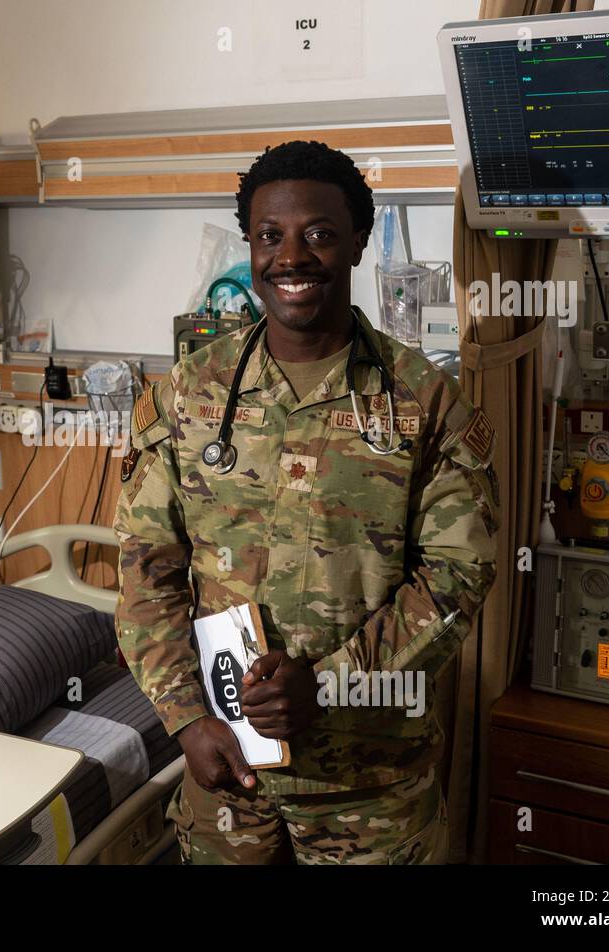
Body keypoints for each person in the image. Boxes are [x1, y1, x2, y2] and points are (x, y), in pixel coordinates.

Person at [114, 140, 500, 864]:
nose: (291, 256)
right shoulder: (188, 396)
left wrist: (325, 687)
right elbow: (146, 569)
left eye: (319, 233)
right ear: (251, 247)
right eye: (270, 236)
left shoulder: (426, 404)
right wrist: (186, 718)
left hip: (371, 786)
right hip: (226, 773)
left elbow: (458, 577)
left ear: (357, 241)